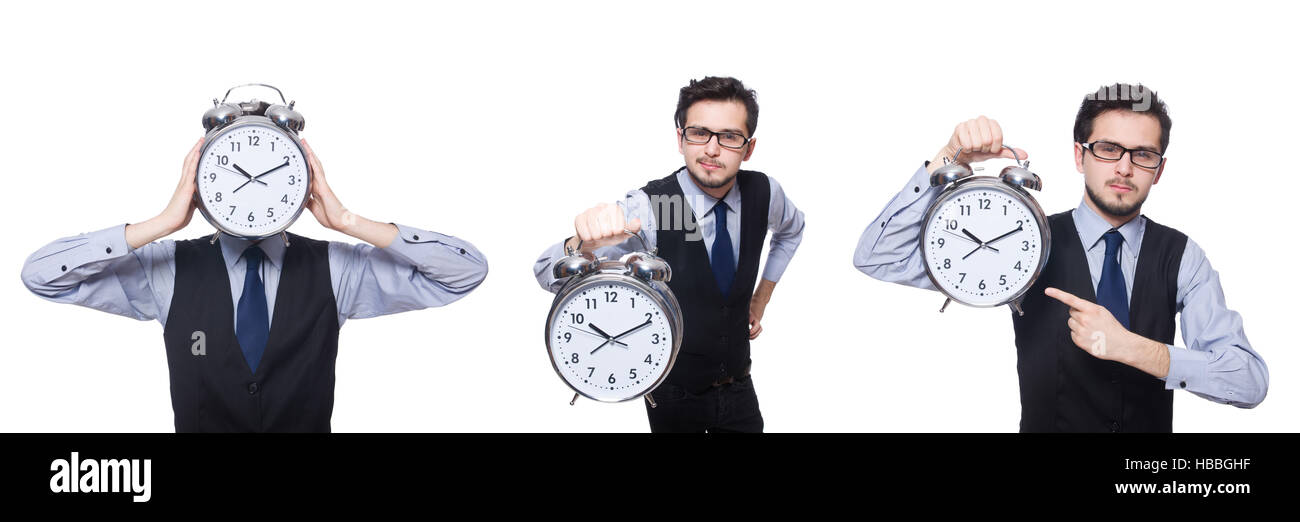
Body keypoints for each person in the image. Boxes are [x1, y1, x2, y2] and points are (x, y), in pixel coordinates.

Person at [853, 84, 1268, 432]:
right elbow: (878, 256)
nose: (1124, 167)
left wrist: (1133, 348)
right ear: (1079, 156)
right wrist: (948, 158)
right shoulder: (1026, 238)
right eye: (1108, 148)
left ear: (1158, 170)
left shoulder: (1183, 257)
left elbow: (1249, 382)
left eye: (1142, 154)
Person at [21, 138, 488, 432]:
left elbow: (463, 272)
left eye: (271, 178)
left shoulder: (337, 268)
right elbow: (41, 276)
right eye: (232, 178)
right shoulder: (165, 268)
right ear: (201, 187)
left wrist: (347, 221)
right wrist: (160, 224)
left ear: (300, 185)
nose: (253, 195)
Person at [533, 76, 805, 433]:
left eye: (729, 137)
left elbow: (792, 231)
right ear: (681, 139)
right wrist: (583, 245)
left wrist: (761, 298)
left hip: (739, 384)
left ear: (748, 148)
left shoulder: (766, 192)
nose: (711, 149)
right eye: (699, 133)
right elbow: (543, 272)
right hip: (673, 394)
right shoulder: (650, 206)